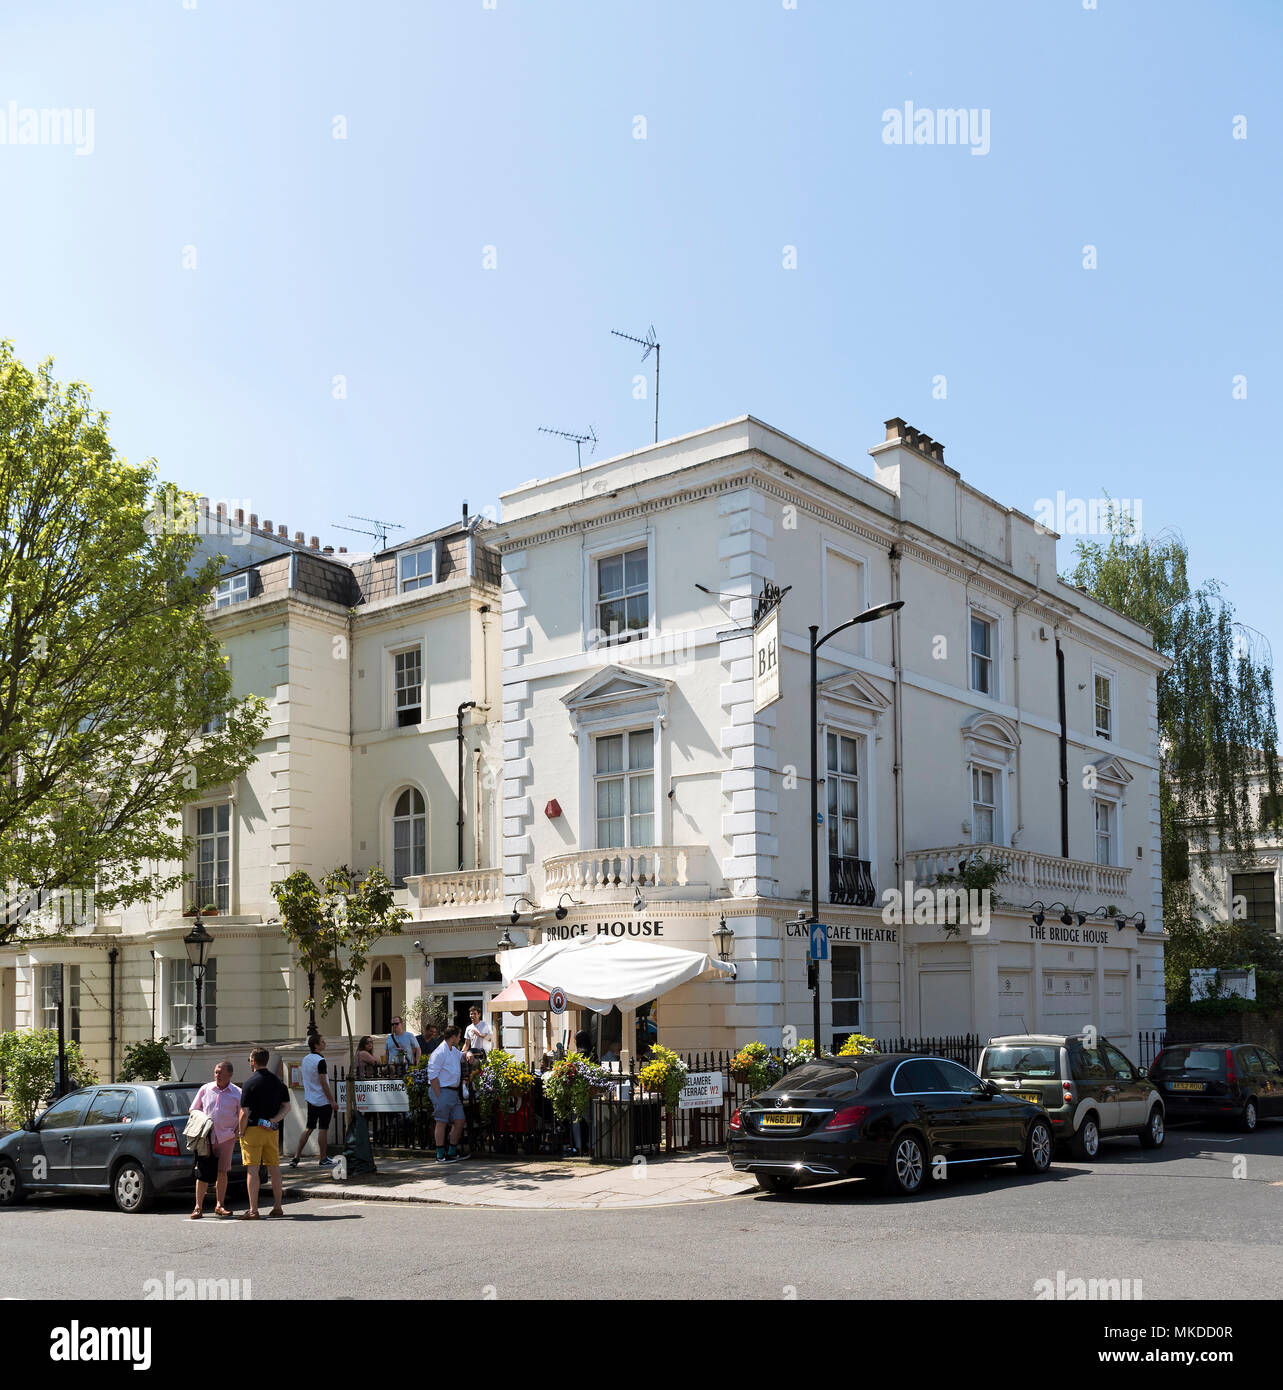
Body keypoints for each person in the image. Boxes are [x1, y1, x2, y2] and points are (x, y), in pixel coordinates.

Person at [236, 1045, 291, 1219]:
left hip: (252, 1129)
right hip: (271, 1130)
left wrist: (240, 1132)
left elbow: (244, 1112)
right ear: (266, 1060)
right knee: (274, 1169)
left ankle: (253, 1210)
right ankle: (278, 1206)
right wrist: (274, 1120)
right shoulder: (278, 1082)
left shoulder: (249, 1083)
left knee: (252, 1170)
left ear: (253, 1061)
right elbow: (286, 1107)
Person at [188, 1060, 241, 1218]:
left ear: (229, 1075)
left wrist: (236, 1132)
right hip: (206, 1138)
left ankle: (219, 1205)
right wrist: (202, 1120)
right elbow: (193, 1109)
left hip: (226, 1137)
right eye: (216, 1072)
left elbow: (243, 1115)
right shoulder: (206, 1089)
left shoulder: (237, 1093)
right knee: (203, 1173)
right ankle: (198, 1207)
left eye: (220, 1072)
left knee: (222, 1172)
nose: (217, 1075)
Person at [290, 1034, 335, 1169]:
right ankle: (323, 1158)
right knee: (323, 1129)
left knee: (309, 1128)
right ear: (316, 1045)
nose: (324, 1043)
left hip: (311, 1099)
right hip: (323, 1100)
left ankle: (296, 1157)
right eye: (322, 1041)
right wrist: (332, 1100)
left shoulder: (306, 1059)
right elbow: (323, 1082)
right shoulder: (320, 1061)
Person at [427, 1025, 469, 1163]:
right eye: (459, 1036)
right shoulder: (439, 1052)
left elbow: (462, 1055)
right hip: (442, 1090)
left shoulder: (453, 1050)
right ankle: (440, 1155)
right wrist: (439, 1096)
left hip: (452, 1091)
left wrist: (468, 1054)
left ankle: (452, 1151)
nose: (459, 1038)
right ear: (453, 1037)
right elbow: (432, 1076)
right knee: (441, 1122)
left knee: (459, 1120)